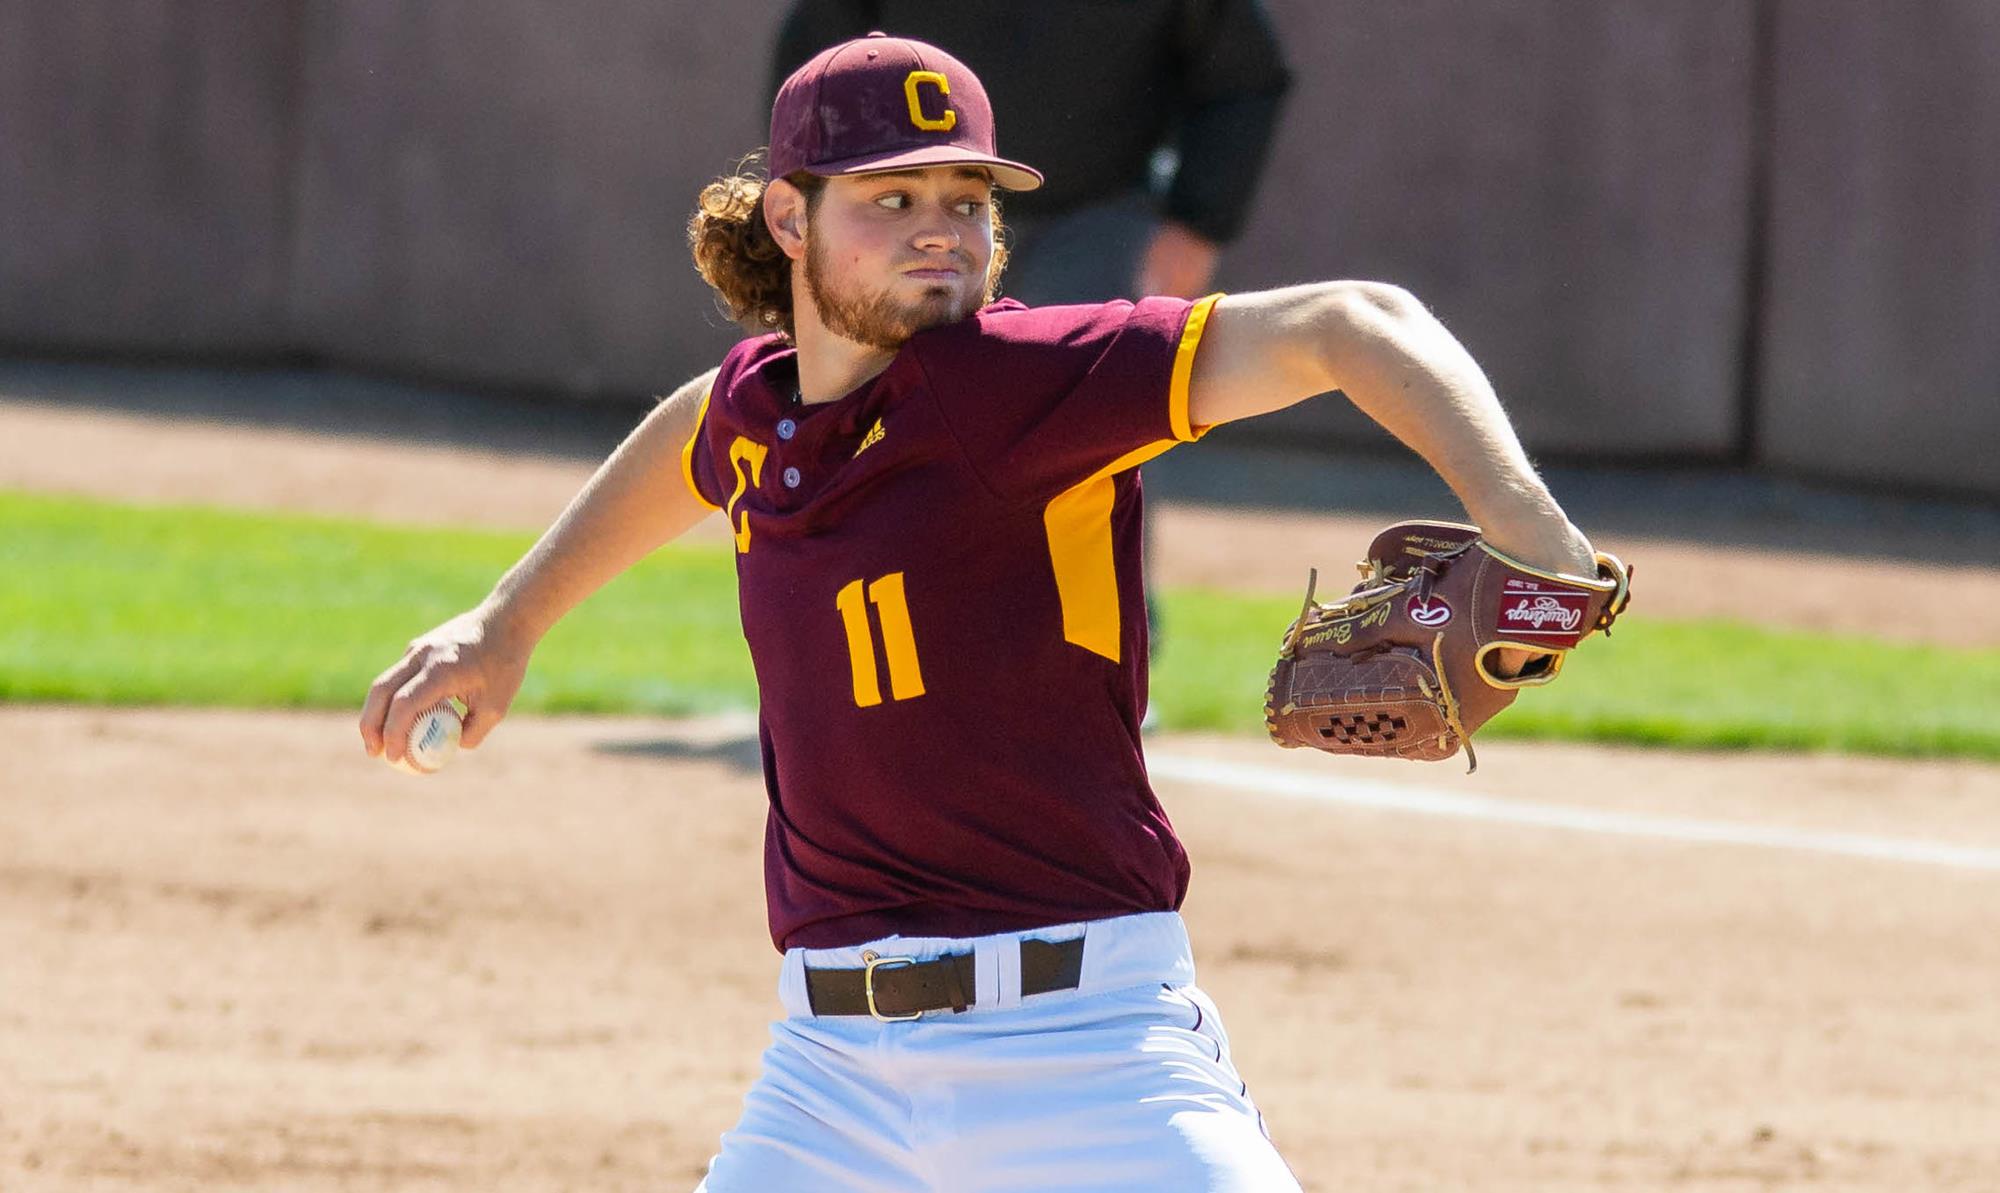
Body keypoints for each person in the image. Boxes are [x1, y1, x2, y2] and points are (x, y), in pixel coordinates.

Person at [360, 33, 1599, 1191]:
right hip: (827, 1081)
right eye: (891, 198)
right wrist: (507, 621)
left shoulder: (1026, 379)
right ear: (789, 218)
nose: (938, 231)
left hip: (1090, 1050)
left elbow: (1352, 322)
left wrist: (1538, 539)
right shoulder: (759, 408)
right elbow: (698, 427)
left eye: (964, 200)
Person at [769, 1, 1292, 306]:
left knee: (1085, 426)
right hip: (908, 210)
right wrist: (807, 207)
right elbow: (816, 64)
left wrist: (1197, 228)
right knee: (899, 426)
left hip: (1093, 219)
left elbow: (1242, 77)